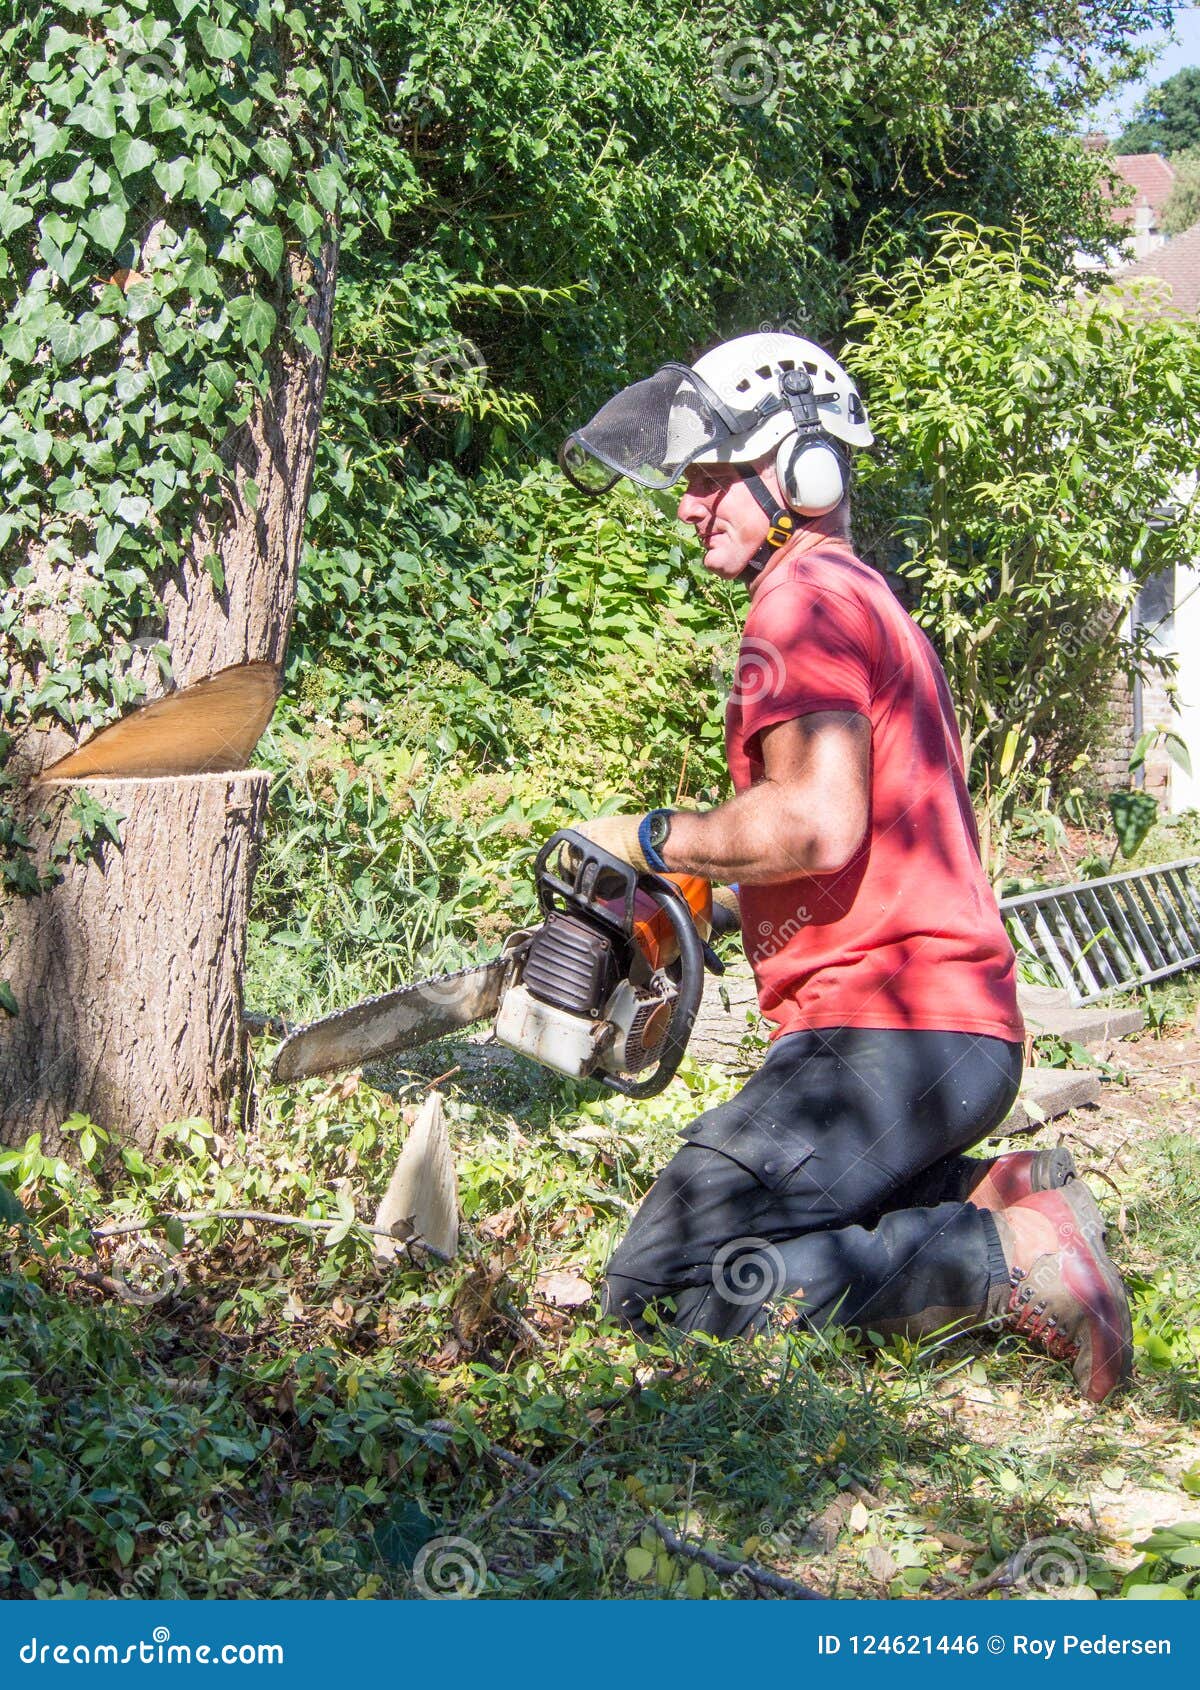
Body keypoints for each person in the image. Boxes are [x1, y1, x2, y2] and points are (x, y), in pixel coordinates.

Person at [558, 332, 1131, 1403]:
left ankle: (1003, 1261)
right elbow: (836, 850)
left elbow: (816, 823)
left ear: (800, 470)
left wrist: (642, 838)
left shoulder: (804, 601)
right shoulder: (859, 596)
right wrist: (691, 907)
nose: (688, 507)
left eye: (709, 478)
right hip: (937, 1034)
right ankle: (993, 1191)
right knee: (745, 1239)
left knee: (664, 1281)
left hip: (894, 1029)